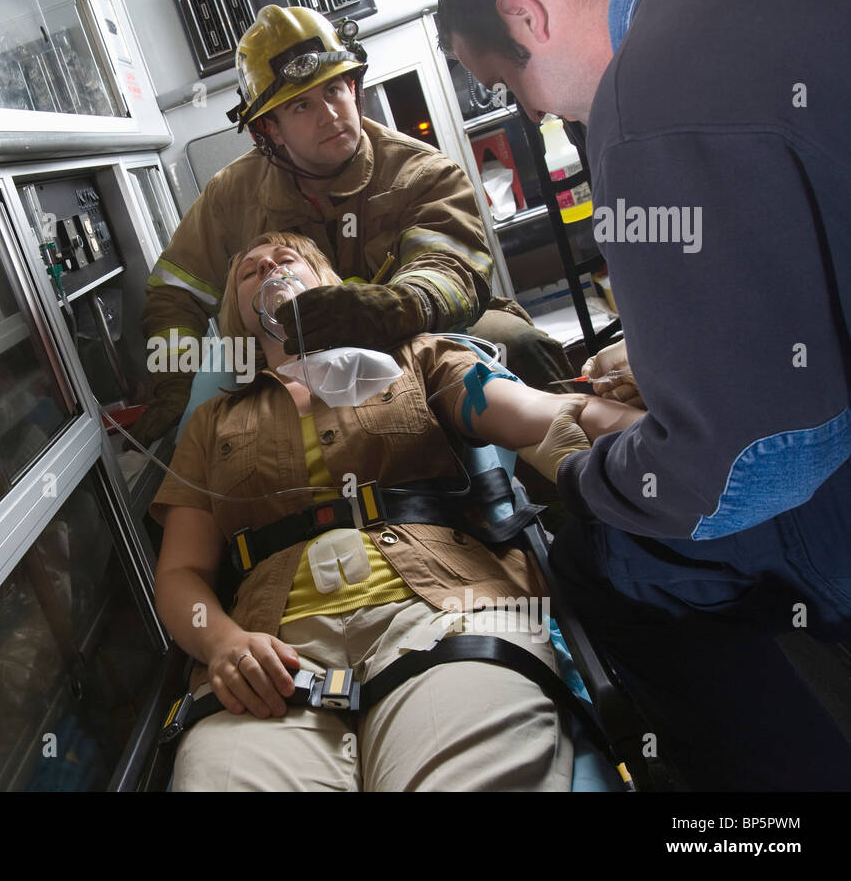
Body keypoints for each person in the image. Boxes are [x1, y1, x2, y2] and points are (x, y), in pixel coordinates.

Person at [436, 0, 851, 788]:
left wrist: (588, 463)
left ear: (527, 16)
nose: (536, 112)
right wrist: (674, 352)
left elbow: (746, 468)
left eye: (510, 84)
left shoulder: (643, 100)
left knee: (607, 552)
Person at [150, 231, 641, 791]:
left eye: (288, 258)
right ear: (236, 316)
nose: (269, 266)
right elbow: (180, 572)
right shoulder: (211, 421)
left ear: (331, 285)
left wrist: (655, 439)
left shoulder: (417, 358)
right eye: (249, 270)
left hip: (442, 614)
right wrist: (222, 644)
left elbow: (540, 416)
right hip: (272, 655)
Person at [135, 4, 572, 444]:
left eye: (334, 91)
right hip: (292, 358)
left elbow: (452, 270)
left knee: (519, 344)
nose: (328, 114)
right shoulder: (231, 196)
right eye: (302, 105)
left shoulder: (421, 171)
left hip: (417, 332)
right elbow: (175, 293)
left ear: (354, 88)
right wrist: (176, 384)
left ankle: (576, 481)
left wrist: (394, 306)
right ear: (270, 129)